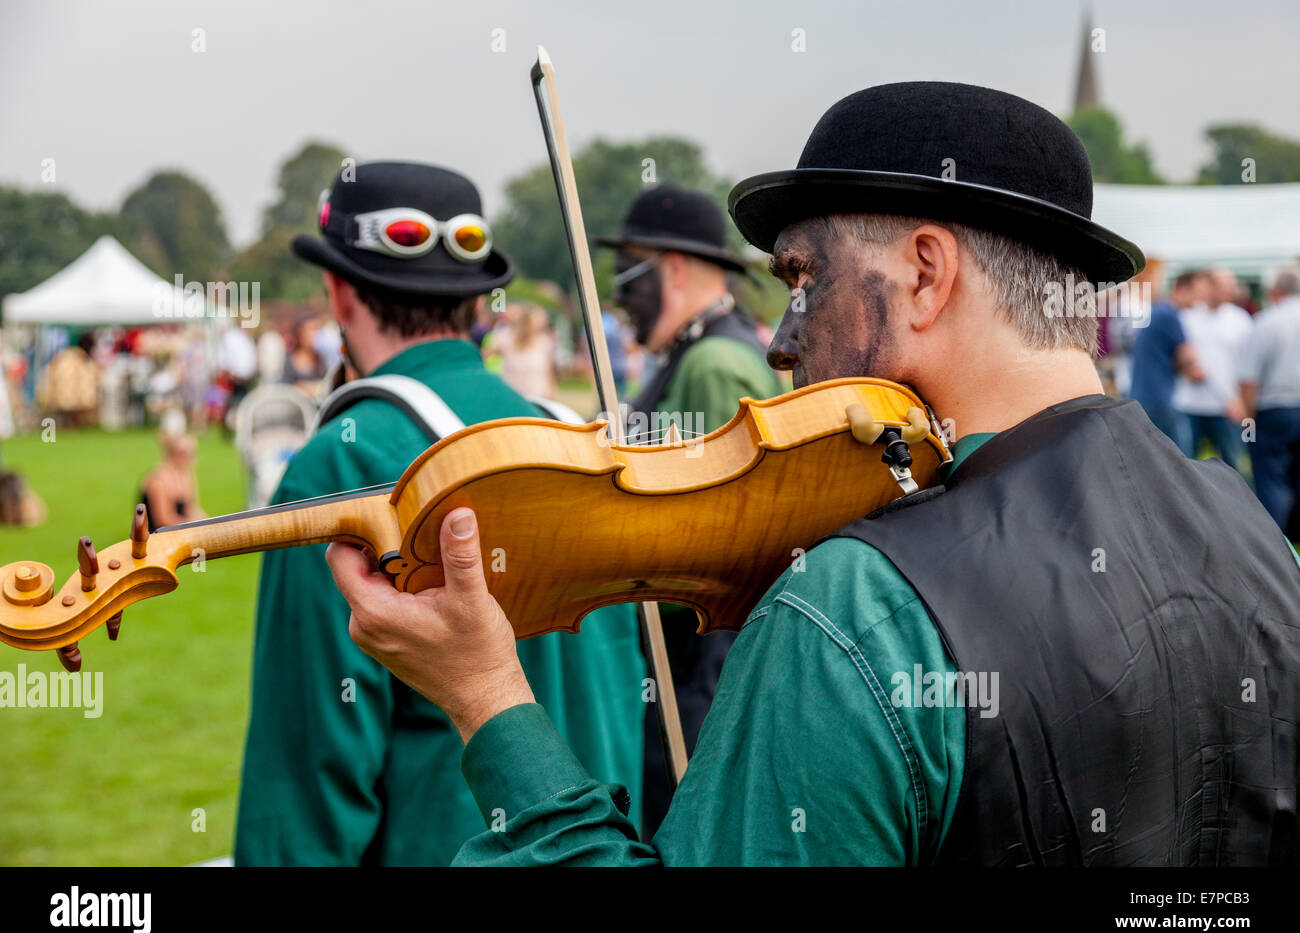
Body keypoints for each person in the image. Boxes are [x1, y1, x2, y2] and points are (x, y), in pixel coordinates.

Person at [327, 83, 1300, 866]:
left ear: (926, 273)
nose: (784, 345)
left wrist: (488, 697)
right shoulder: (1256, 535)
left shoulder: (855, 600)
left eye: (804, 278)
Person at [234, 161, 645, 866]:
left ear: (338, 292)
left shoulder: (339, 466)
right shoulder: (578, 438)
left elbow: (306, 786)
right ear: (478, 300)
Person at [596, 183, 783, 834]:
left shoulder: (712, 364)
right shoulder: (697, 353)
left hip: (698, 663)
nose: (620, 296)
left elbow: (709, 543)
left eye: (628, 274)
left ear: (672, 270)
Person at [1239, 268, 1300, 537]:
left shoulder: (1266, 321)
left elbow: (1249, 378)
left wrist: (1248, 418)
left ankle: (1276, 540)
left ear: (1276, 292)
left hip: (1275, 409)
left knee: (1271, 477)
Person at [1173, 267, 1252, 468]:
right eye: (1221, 286)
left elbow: (1249, 365)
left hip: (1227, 407)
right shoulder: (1187, 317)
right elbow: (1176, 354)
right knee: (1186, 466)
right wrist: (1186, 367)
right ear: (1207, 286)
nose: (1227, 290)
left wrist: (1242, 401)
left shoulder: (1241, 320)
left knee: (1233, 466)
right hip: (1190, 405)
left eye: (1230, 286)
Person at [1127, 270, 1207, 450]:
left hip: (1146, 397)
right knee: (1180, 458)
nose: (1200, 299)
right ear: (1182, 288)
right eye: (1197, 292)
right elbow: (1189, 359)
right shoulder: (1169, 315)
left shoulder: (1158, 311)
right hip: (1159, 399)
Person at [139, 427, 205, 532]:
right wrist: (194, 525)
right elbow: (163, 520)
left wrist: (206, 522)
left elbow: (191, 508)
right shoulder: (158, 480)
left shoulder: (186, 474)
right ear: (172, 453)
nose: (190, 458)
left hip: (179, 531)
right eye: (184, 453)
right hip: (158, 538)